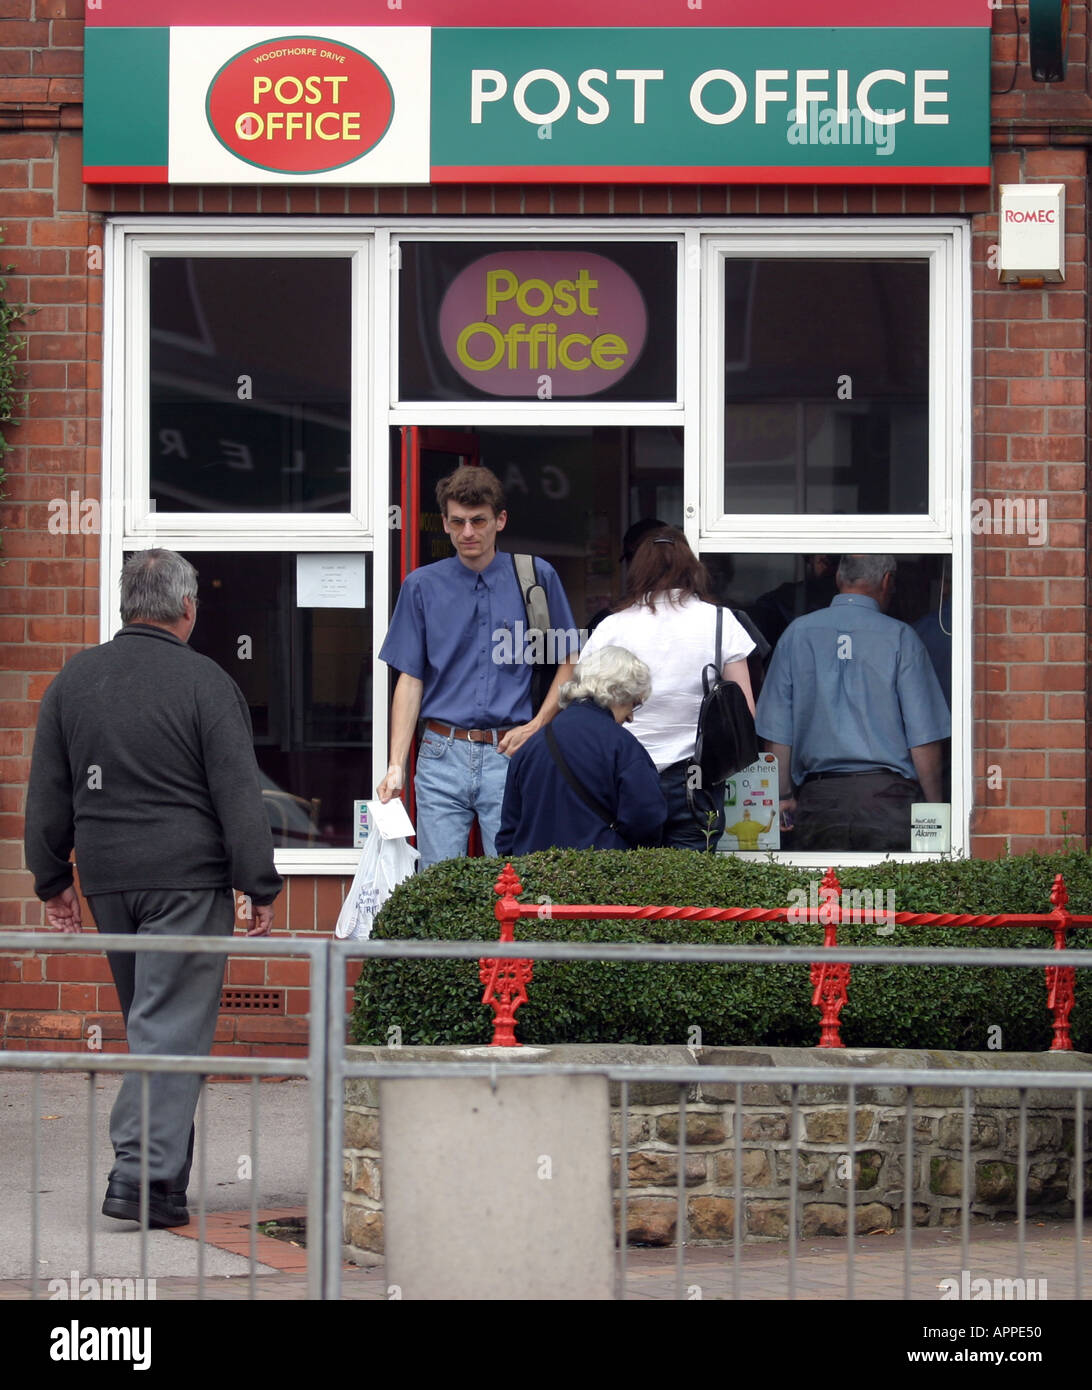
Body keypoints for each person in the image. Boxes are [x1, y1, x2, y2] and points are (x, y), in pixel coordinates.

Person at [24, 549, 281, 1230]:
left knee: (155, 1025)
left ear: (124, 604)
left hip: (109, 882)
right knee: (171, 1030)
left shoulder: (72, 681)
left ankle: (165, 1186)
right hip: (185, 883)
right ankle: (138, 1176)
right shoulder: (206, 682)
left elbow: (47, 794)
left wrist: (52, 879)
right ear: (187, 607)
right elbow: (238, 793)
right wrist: (256, 882)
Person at [377, 465, 578, 868]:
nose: (468, 532)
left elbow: (571, 662)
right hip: (439, 751)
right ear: (446, 525)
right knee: (438, 883)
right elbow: (410, 679)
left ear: (499, 520)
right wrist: (396, 764)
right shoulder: (421, 585)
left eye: (478, 521)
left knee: (513, 881)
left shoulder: (536, 577)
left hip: (510, 749)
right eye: (457, 522)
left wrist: (537, 725)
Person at [754, 553, 951, 851]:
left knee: (820, 894)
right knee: (888, 897)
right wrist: (935, 807)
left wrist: (782, 797)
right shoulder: (902, 638)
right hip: (888, 801)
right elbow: (923, 739)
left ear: (837, 579)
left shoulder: (796, 635)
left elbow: (777, 734)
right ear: (887, 582)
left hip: (818, 799)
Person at [578, 527, 756, 851]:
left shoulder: (611, 626)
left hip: (626, 776)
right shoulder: (720, 620)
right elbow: (744, 711)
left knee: (627, 886)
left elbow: (586, 708)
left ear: (639, 569)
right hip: (696, 777)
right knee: (689, 890)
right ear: (692, 568)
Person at [496, 646, 667, 855]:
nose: (631, 716)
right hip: (601, 878)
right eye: (635, 703)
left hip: (533, 879)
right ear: (620, 693)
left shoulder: (530, 747)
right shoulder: (624, 747)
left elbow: (508, 834)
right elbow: (647, 819)